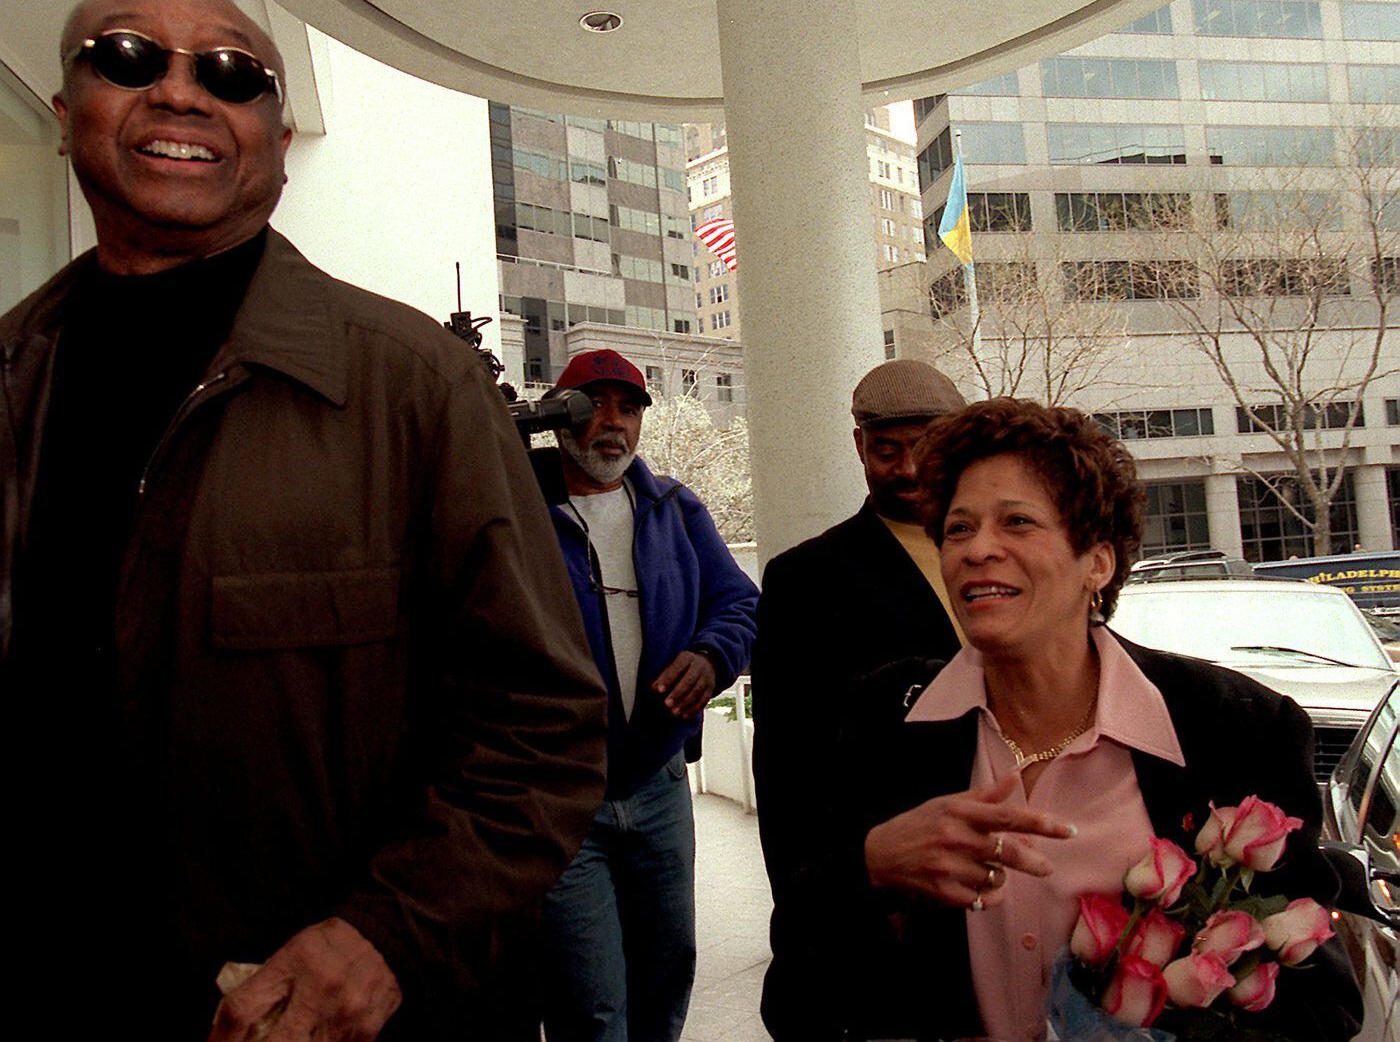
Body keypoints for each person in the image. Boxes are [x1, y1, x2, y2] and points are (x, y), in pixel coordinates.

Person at [0, 0, 607, 1040]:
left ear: (279, 144)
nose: (182, 93)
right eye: (130, 56)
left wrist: (389, 933)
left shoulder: (415, 385)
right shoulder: (14, 373)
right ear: (63, 115)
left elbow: (542, 725)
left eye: (234, 74)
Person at [808, 398, 1362, 1040]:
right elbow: (798, 996)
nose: (978, 549)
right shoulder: (882, 724)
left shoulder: (1236, 729)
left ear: (1097, 562)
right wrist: (871, 867)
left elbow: (1320, 1000)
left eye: (1016, 522)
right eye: (958, 529)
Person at [527, 348, 759, 1042]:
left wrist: (711, 652)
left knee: (666, 975)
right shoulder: (517, 507)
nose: (612, 422)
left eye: (628, 408)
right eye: (593, 403)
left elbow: (739, 604)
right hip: (562, 797)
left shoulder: (673, 507)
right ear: (558, 416)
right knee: (589, 1002)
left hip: (659, 788)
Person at [751, 359, 967, 1039]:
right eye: (885, 449)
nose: (905, 469)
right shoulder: (805, 581)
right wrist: (826, 908)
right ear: (858, 447)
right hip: (884, 922)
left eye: (924, 447)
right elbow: (786, 775)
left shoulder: (1006, 550)